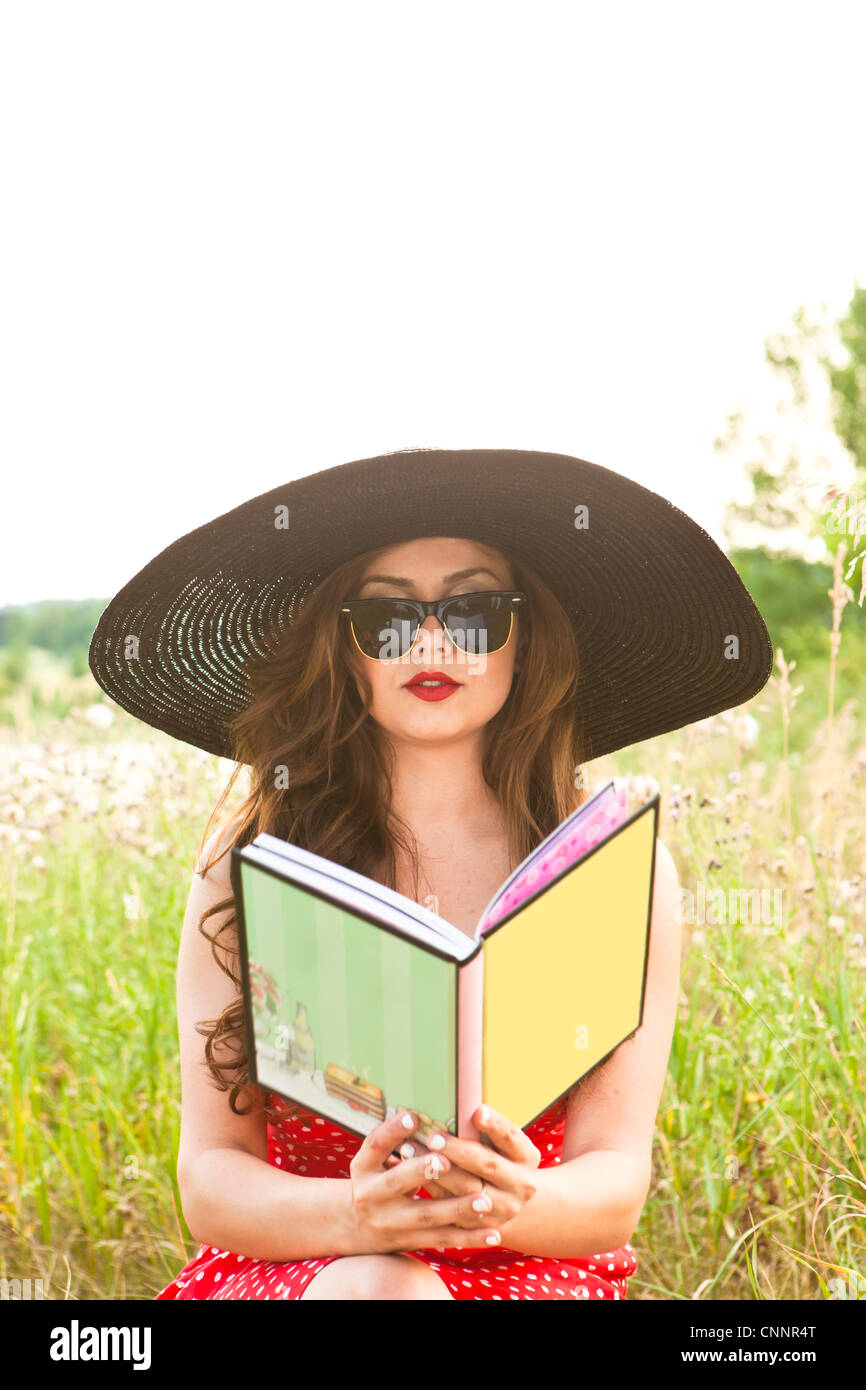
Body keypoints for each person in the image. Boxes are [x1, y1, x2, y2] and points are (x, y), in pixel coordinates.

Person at [88, 447, 773, 1300]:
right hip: (309, 1265)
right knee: (382, 1289)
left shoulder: (618, 874)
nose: (433, 640)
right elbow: (213, 1184)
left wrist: (498, 1201)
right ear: (344, 651)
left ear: (527, 640)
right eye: (386, 619)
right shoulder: (244, 871)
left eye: (476, 610)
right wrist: (364, 1219)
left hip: (527, 1265)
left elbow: (613, 1189)